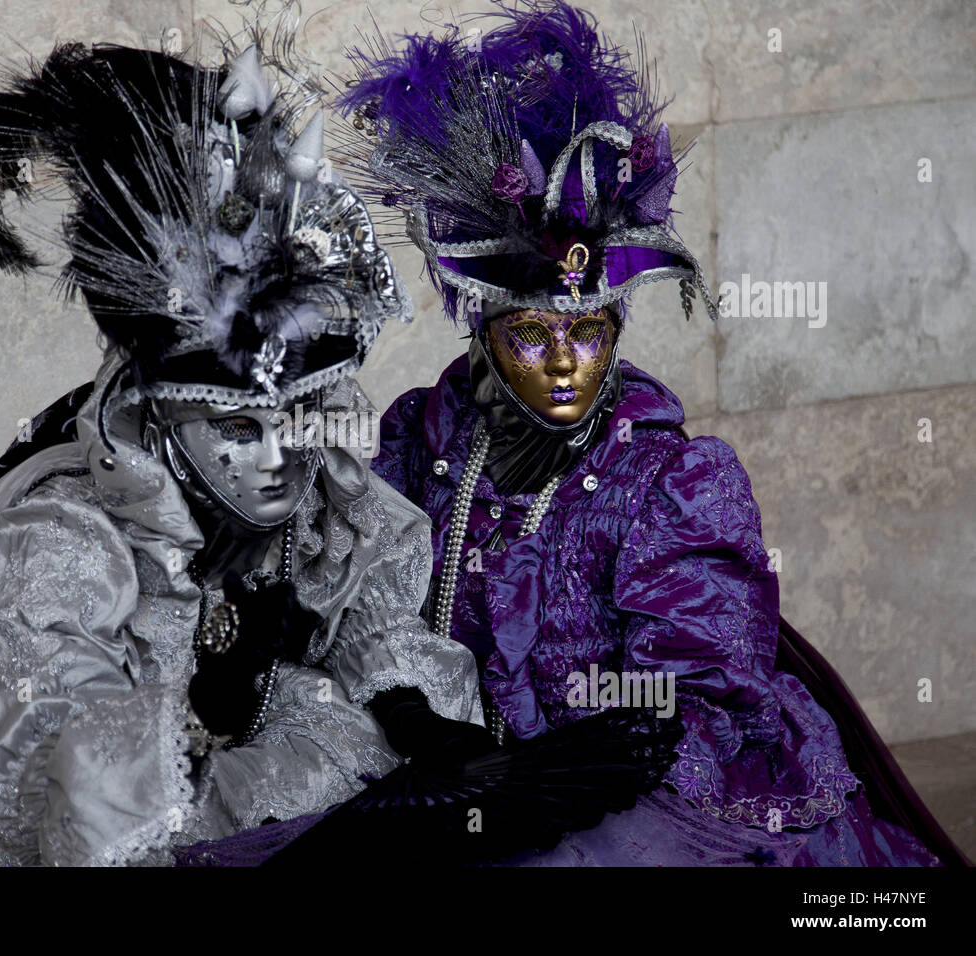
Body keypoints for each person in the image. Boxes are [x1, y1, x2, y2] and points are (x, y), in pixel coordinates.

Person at [0, 31, 486, 866]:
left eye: (303, 415)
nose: (281, 456)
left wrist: (409, 711)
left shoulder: (320, 499)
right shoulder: (59, 545)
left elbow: (372, 609)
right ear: (163, 417)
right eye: (238, 429)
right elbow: (81, 800)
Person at [341, 0, 965, 866]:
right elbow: (363, 610)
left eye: (590, 332)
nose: (565, 365)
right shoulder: (423, 441)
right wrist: (417, 722)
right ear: (483, 331)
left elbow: (697, 692)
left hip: (644, 795)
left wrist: (555, 760)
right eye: (531, 335)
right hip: (458, 781)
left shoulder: (674, 481)